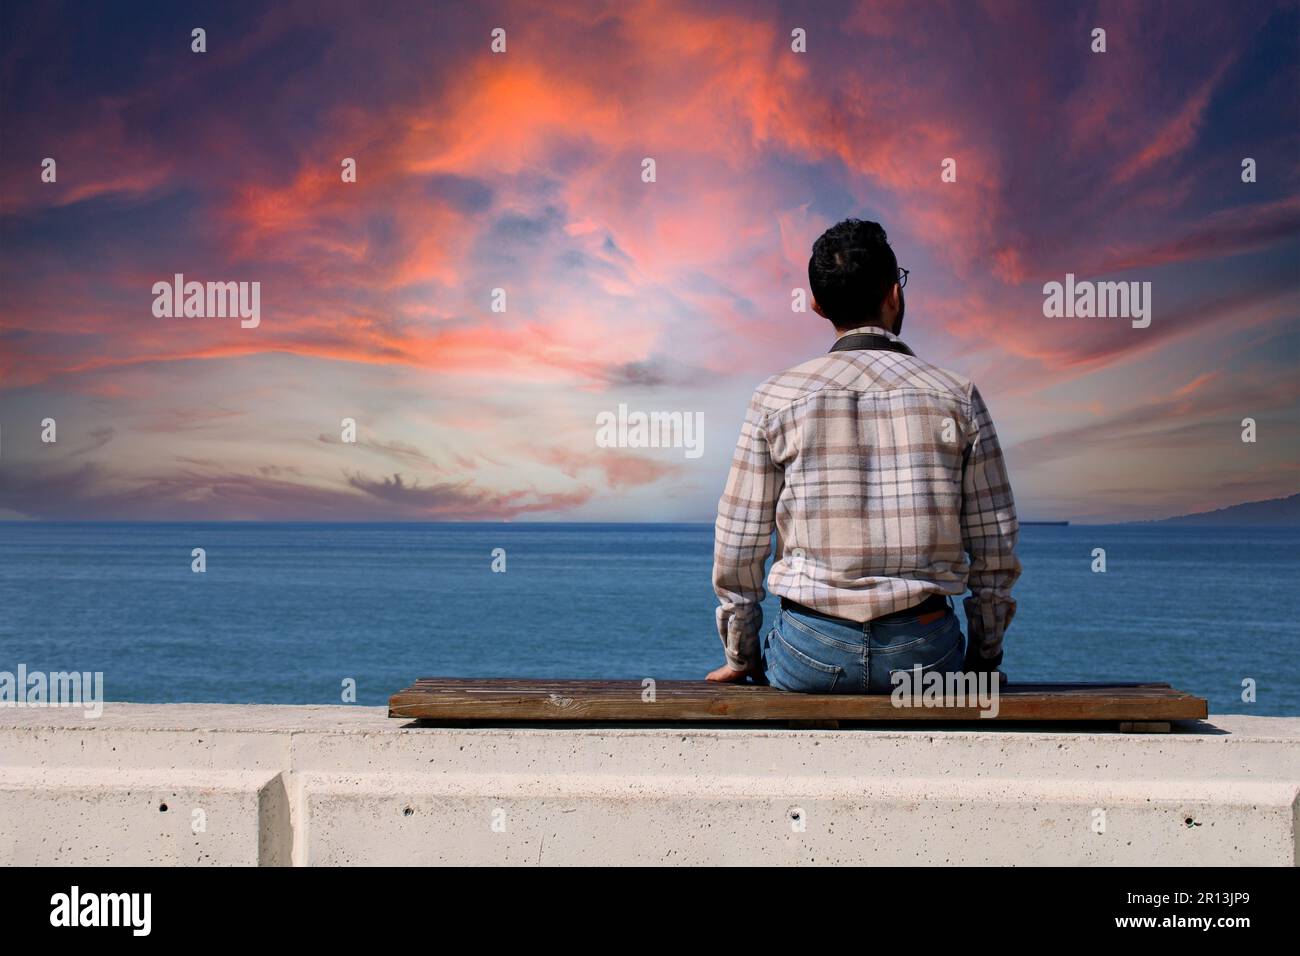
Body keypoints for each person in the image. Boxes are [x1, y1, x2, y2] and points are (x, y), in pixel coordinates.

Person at [707, 218, 1020, 693]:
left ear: (816, 305)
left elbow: (739, 547)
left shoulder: (776, 398)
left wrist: (740, 653)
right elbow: (994, 547)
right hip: (925, 651)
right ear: (894, 293)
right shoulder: (958, 396)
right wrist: (983, 656)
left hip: (810, 651)